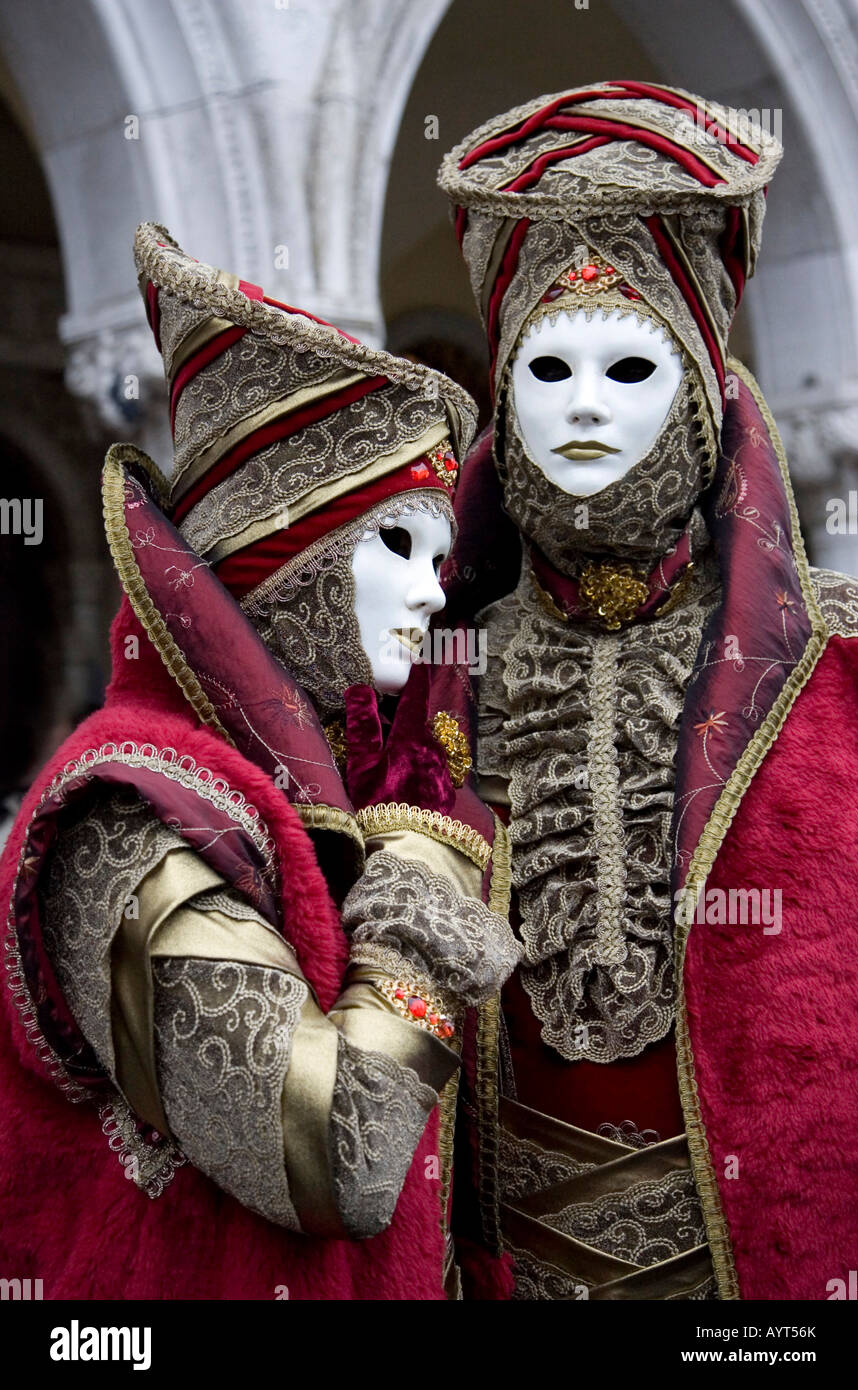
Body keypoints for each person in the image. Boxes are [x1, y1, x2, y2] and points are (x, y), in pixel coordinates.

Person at [0, 224, 519, 1300]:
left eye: (440, 555)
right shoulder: (132, 814)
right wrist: (423, 863)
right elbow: (334, 1160)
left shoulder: (339, 794)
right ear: (290, 553)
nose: (434, 591)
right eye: (395, 545)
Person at [437, 81, 858, 1300]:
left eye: (627, 367)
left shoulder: (833, 670)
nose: (579, 404)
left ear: (697, 392)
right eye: (546, 368)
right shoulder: (431, 687)